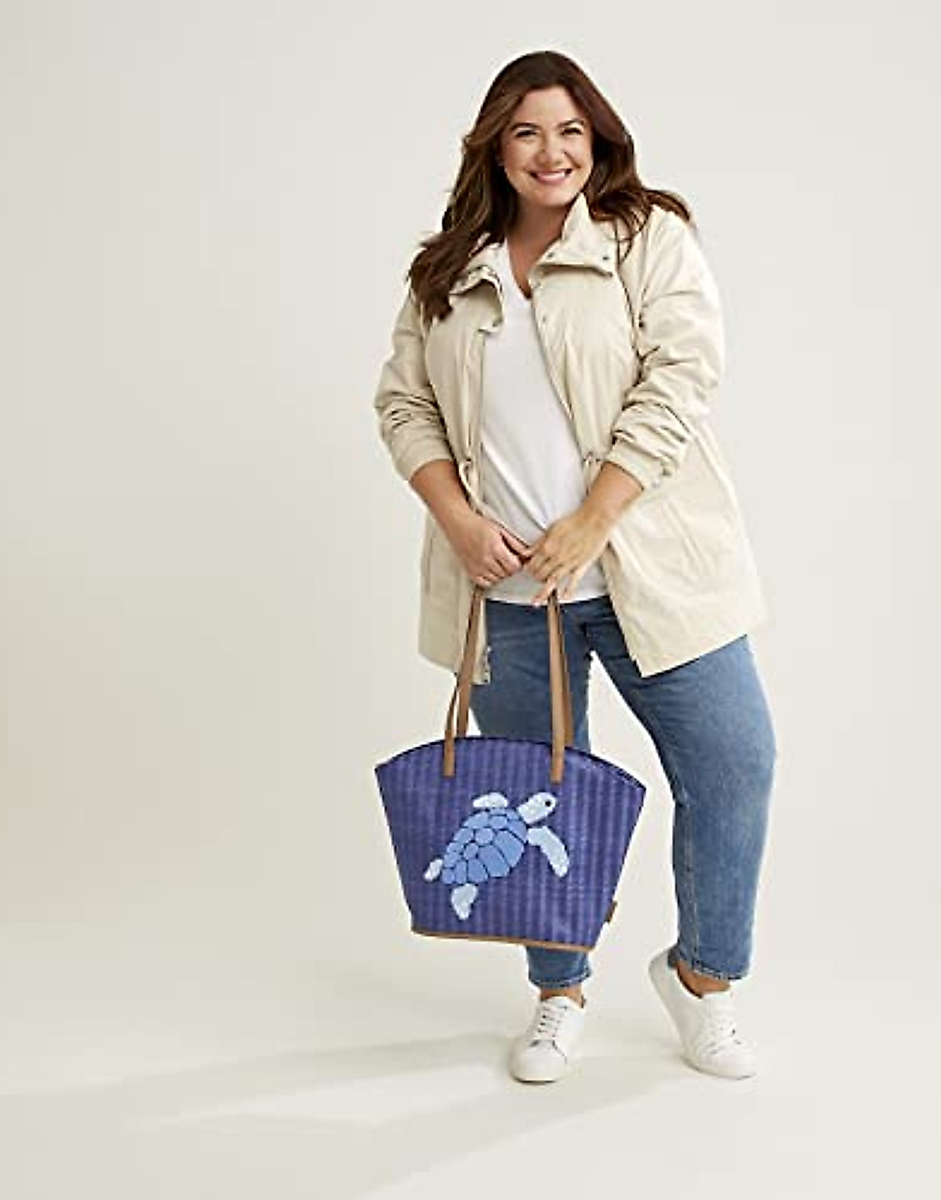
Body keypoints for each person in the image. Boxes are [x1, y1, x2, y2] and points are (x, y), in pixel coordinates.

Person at [372, 50, 777, 1085]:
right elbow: (404, 405)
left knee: (733, 762)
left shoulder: (645, 239)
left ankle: (702, 982)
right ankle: (559, 992)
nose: (550, 152)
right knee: (528, 796)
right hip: (507, 595)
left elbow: (681, 378)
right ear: (494, 148)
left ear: (597, 140)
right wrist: (460, 522)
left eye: (569, 131)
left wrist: (594, 521)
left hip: (651, 573)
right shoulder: (447, 270)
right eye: (526, 132)